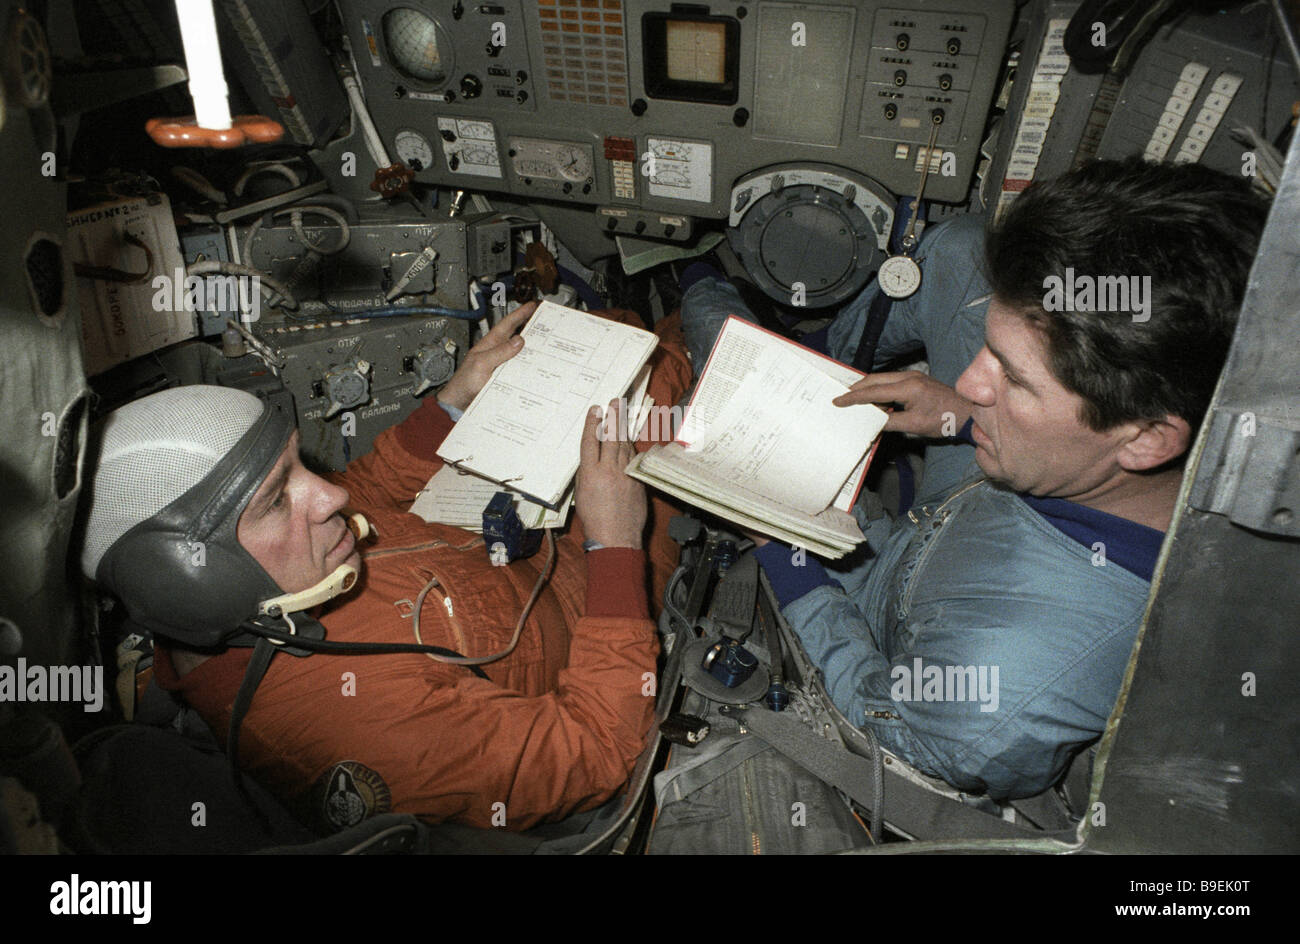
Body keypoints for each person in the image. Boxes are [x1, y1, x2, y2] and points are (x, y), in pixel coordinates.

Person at [678, 157, 1268, 801]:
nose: (962, 381)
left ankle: (692, 272)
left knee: (720, 344)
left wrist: (785, 554)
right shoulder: (1137, 447)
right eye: (990, 352)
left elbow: (879, 713)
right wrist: (961, 418)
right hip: (975, 502)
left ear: (1149, 439)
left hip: (896, 593)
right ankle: (818, 352)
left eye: (1012, 378)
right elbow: (975, 391)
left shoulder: (998, 694)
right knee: (958, 252)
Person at [78, 301, 693, 834]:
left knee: (616, 334)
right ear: (196, 576)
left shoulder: (272, 580)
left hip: (518, 532)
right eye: (276, 500)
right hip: (596, 604)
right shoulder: (352, 729)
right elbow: (598, 749)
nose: (331, 497)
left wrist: (454, 398)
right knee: (662, 383)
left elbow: (367, 483)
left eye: (298, 468)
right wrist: (615, 542)